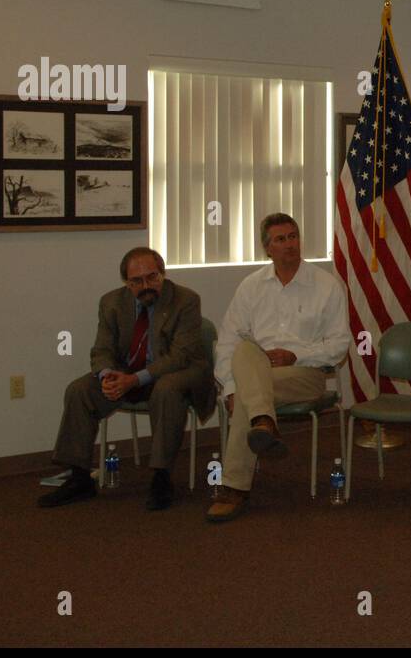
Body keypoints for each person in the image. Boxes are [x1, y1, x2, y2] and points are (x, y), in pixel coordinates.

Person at [39, 247, 215, 511]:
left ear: (163, 274)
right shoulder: (111, 303)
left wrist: (134, 380)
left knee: (166, 390)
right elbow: (102, 350)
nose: (146, 286)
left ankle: (161, 477)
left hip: (181, 373)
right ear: (126, 283)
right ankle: (79, 478)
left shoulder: (185, 300)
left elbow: (180, 356)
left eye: (152, 277)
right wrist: (108, 375)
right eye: (137, 281)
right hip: (129, 373)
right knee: (79, 390)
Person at [205, 213, 352, 523]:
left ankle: (234, 489)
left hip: (306, 375)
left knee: (249, 389)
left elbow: (339, 346)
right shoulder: (251, 286)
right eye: (281, 239)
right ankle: (262, 423)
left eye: (294, 236)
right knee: (245, 351)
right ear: (267, 248)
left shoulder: (326, 286)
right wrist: (230, 387)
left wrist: (295, 355)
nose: (290, 244)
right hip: (258, 374)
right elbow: (227, 343)